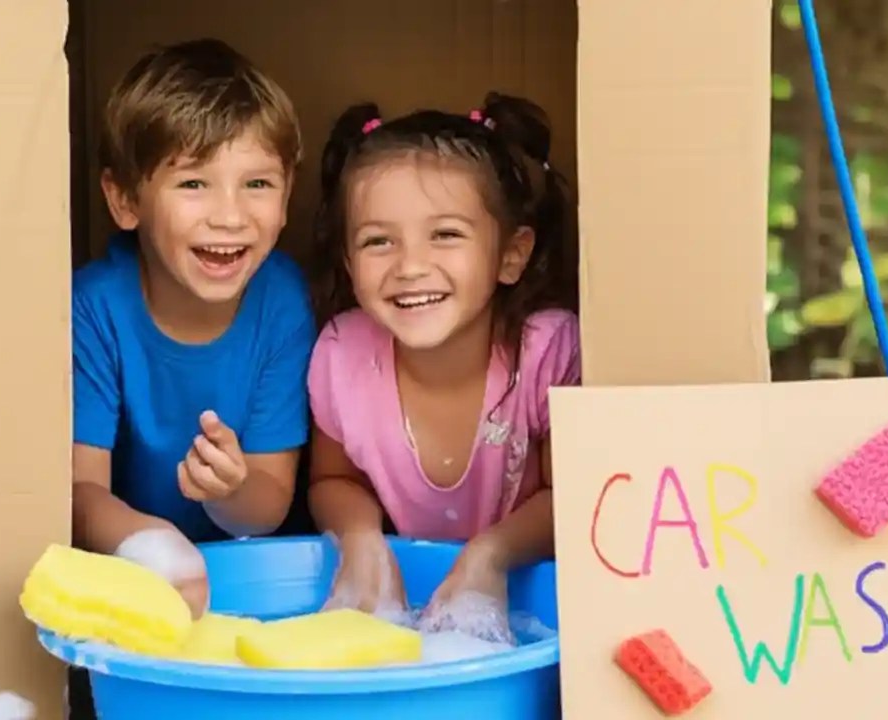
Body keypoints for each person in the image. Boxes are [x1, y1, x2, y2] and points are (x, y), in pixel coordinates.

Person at [305, 92, 581, 642]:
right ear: (348, 262)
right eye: (378, 241)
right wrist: (361, 538)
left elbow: (574, 494)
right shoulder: (343, 353)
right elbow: (331, 479)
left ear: (511, 254)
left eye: (446, 235)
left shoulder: (547, 351)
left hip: (531, 588)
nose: (410, 266)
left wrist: (492, 556)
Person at [70, 37, 313, 619]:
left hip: (245, 584)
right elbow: (78, 497)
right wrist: (152, 548)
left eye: (257, 184)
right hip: (131, 576)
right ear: (126, 200)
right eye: (193, 183)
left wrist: (230, 491)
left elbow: (269, 503)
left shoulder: (281, 300)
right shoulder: (94, 307)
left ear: (287, 197)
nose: (230, 216)